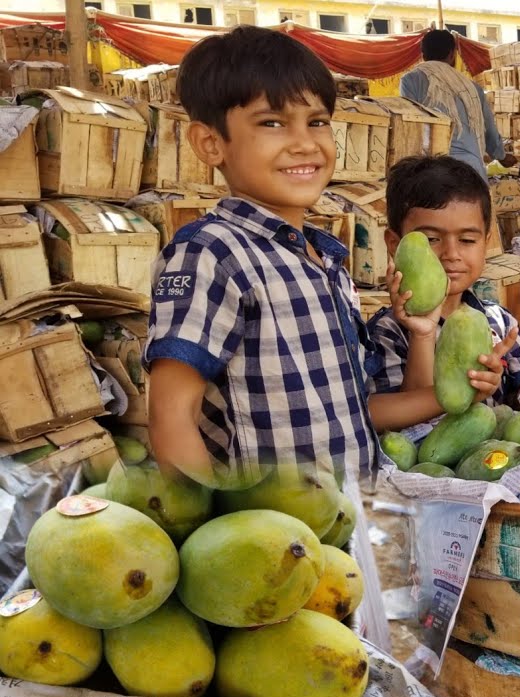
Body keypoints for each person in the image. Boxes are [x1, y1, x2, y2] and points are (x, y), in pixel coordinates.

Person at [146, 26, 378, 489]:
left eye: (317, 121)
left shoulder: (323, 257)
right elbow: (172, 417)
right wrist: (219, 535)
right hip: (273, 541)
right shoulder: (211, 253)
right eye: (272, 123)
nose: (304, 143)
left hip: (348, 523)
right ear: (211, 144)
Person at [366, 155, 520, 432]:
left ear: (486, 243)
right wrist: (422, 335)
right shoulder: (386, 332)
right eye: (432, 240)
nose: (451, 254)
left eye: (467, 240)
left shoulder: (498, 322)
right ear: (394, 244)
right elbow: (403, 428)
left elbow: (516, 391)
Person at [400, 30, 513, 179]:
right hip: (471, 172)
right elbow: (489, 130)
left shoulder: (411, 80)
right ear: (453, 54)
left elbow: (410, 126)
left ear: (422, 54)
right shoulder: (472, 88)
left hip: (432, 172)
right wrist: (501, 156)